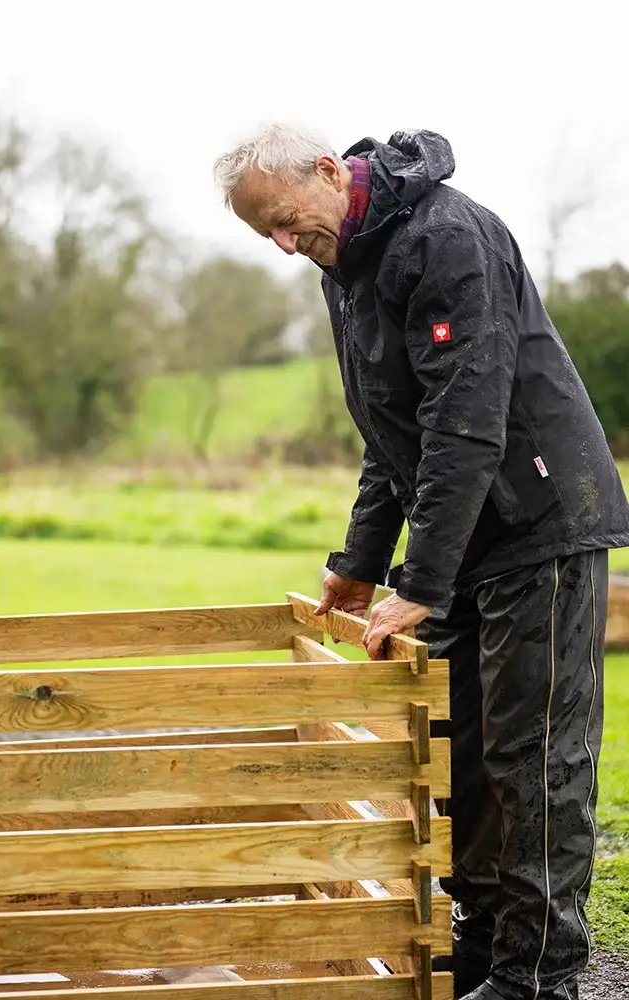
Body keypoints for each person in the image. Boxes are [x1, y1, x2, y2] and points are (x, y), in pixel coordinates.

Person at [212, 124, 629, 1000]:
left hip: (538, 522)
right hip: (466, 534)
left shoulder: (446, 239)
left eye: (286, 221)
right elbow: (391, 433)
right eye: (268, 238)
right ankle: (482, 951)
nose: (287, 246)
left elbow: (465, 421)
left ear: (330, 174)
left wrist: (418, 584)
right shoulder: (348, 265)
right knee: (459, 754)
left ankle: (539, 975)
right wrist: (361, 560)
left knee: (534, 759)